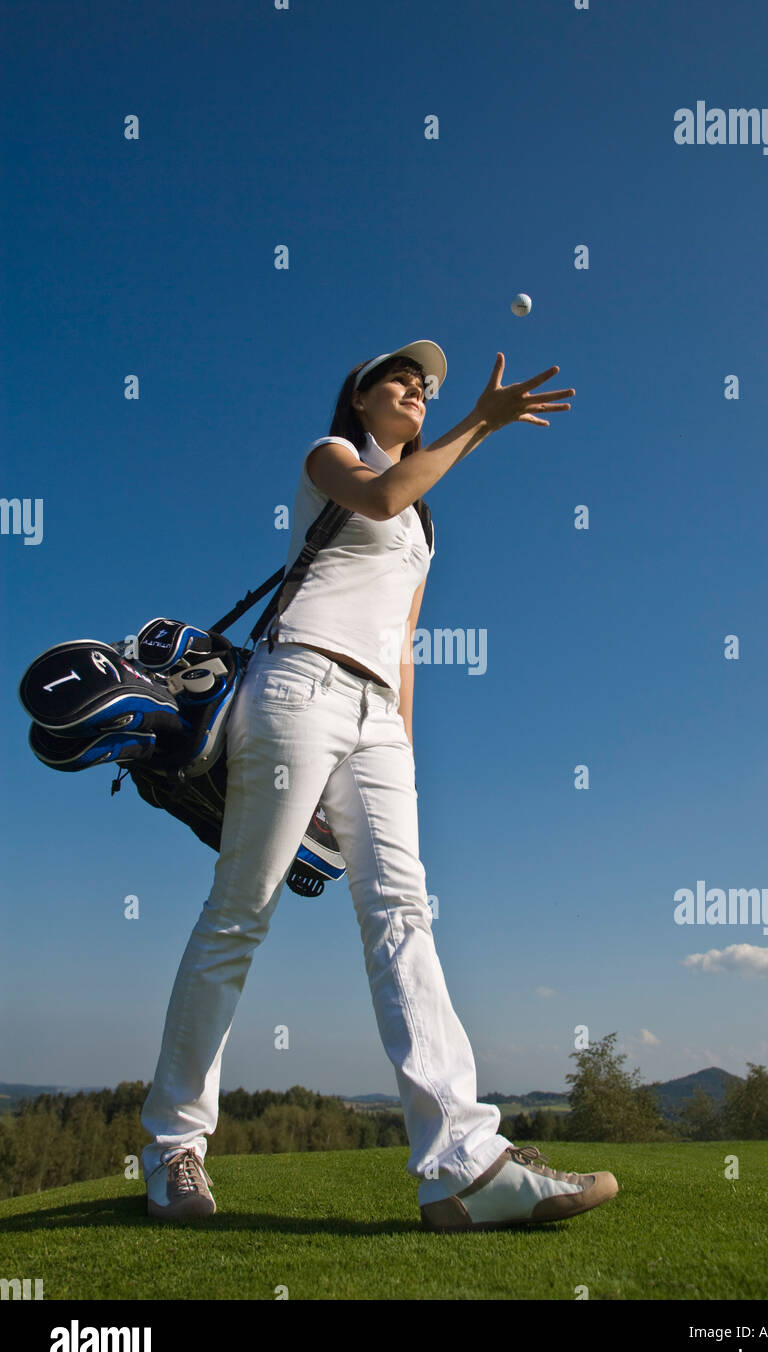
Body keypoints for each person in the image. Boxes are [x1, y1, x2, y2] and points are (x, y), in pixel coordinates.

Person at [139, 341, 619, 1232]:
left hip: (377, 720)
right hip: (295, 687)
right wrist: (482, 420)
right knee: (241, 912)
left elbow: (403, 639)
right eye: (400, 378)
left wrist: (397, 737)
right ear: (359, 399)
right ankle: (173, 1146)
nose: (418, 389)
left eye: (429, 387)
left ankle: (464, 1170)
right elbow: (384, 493)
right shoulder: (332, 458)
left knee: (405, 913)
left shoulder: (427, 526)